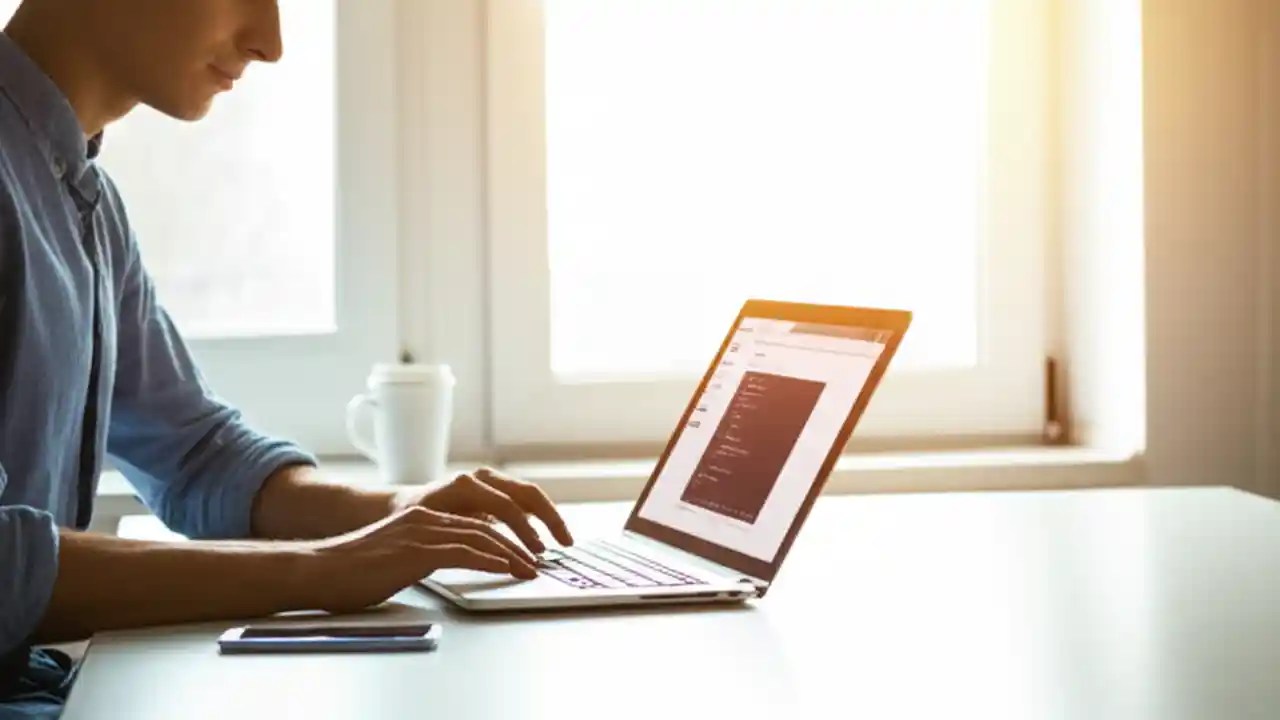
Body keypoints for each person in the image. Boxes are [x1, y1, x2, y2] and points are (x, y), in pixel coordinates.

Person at [0, 1, 572, 715]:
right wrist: (323, 569)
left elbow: (197, 456)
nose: (268, 43)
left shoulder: (81, 197)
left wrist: (396, 511)